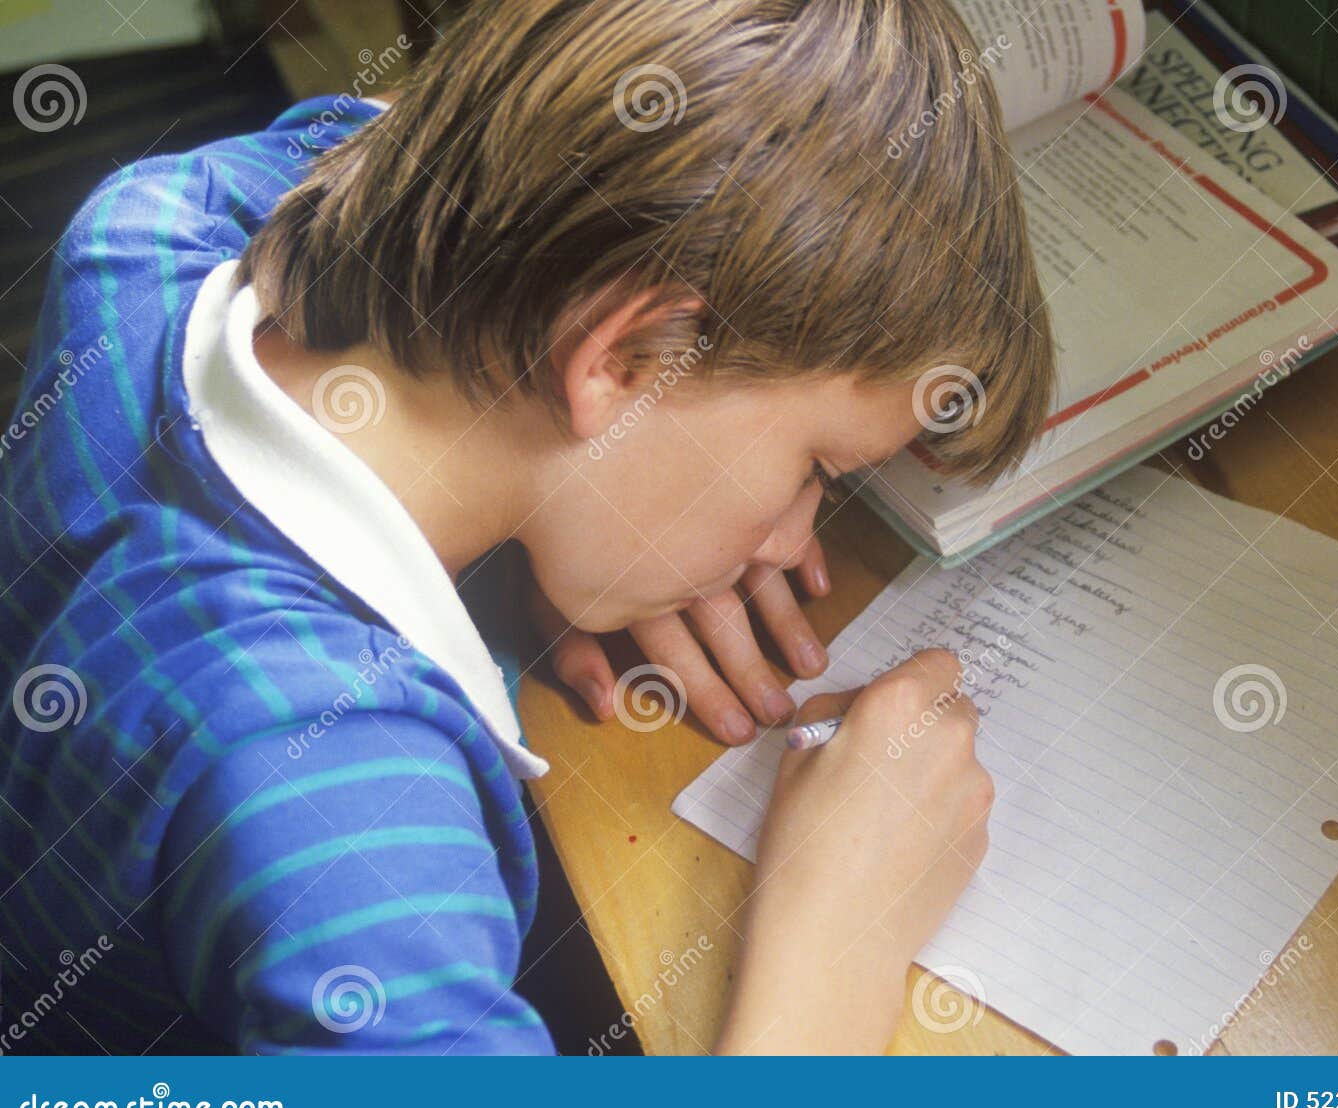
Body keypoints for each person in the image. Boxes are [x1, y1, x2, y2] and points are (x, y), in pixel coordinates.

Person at [0, 0, 1052, 1054]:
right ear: (618, 362)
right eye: (814, 469)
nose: (789, 542)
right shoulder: (342, 815)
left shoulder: (156, 225)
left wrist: (540, 510)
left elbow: (421, 140)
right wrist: (838, 927)